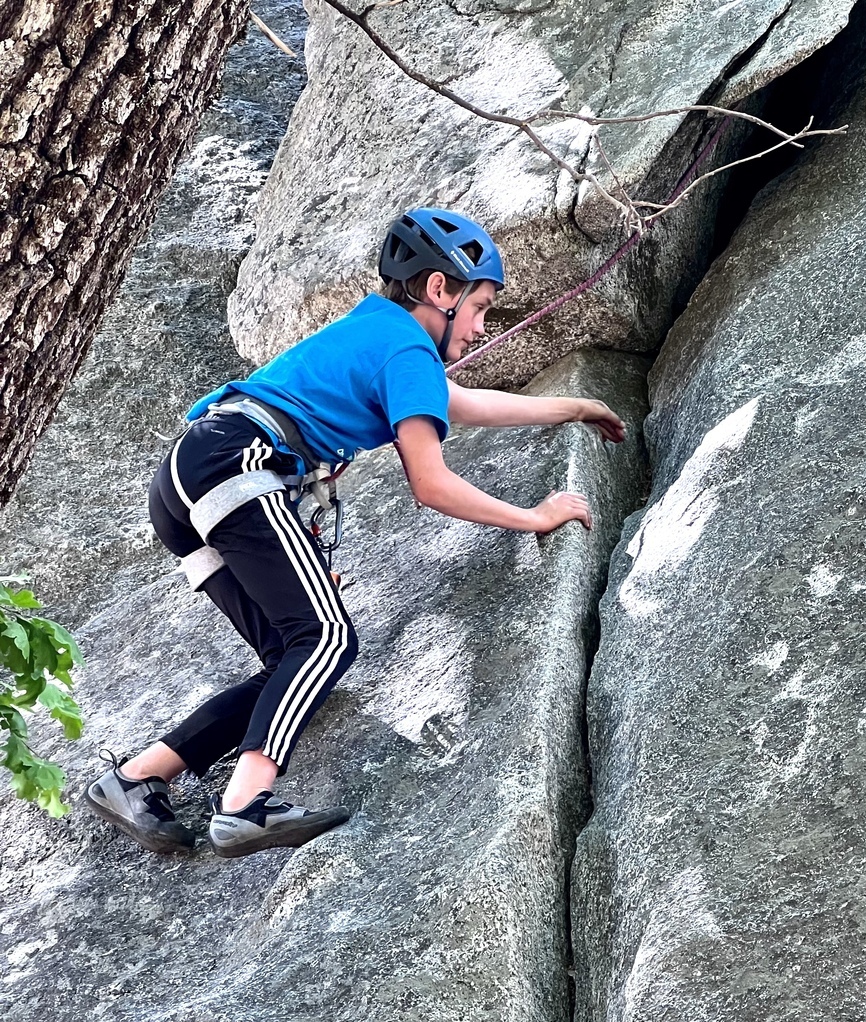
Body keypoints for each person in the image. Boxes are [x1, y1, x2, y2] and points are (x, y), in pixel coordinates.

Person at [84, 207, 625, 858]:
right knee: (327, 638)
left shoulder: (377, 330)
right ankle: (244, 806)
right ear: (439, 290)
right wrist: (533, 517)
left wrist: (576, 406)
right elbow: (431, 483)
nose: (483, 326)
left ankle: (137, 778)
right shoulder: (408, 347)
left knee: (292, 658)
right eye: (480, 306)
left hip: (186, 481)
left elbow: (463, 404)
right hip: (237, 465)